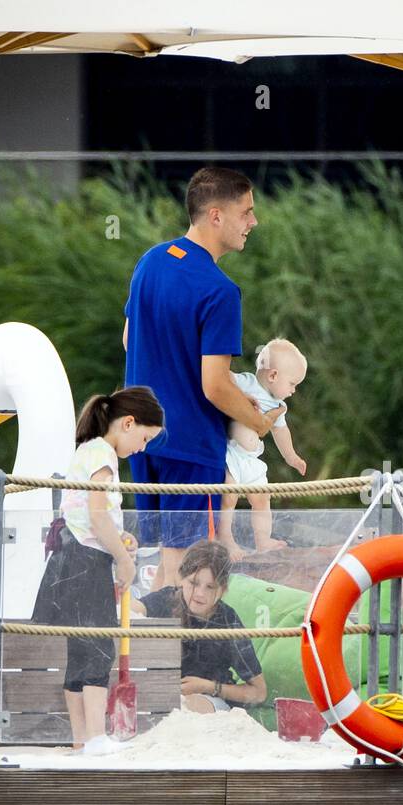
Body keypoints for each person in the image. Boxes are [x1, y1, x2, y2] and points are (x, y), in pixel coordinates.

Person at [122, 166, 283, 590]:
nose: (254, 222)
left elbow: (128, 338)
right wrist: (259, 420)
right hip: (191, 445)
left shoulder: (151, 260)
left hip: (141, 439)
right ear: (216, 215)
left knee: (158, 559)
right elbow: (214, 385)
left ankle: (147, 650)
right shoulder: (221, 290)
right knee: (189, 566)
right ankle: (174, 654)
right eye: (246, 212)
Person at [32, 387, 164, 754]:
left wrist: (121, 538)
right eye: (144, 438)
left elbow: (89, 514)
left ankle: (80, 739)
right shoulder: (104, 456)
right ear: (128, 423)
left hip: (67, 557)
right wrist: (124, 561)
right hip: (86, 561)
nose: (143, 447)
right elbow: (96, 514)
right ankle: (95, 738)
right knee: (98, 648)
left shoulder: (87, 450)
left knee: (80, 649)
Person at [134, 539, 267, 713]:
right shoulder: (167, 599)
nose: (199, 594)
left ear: (223, 589)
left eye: (210, 587)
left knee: (190, 706)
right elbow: (128, 610)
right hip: (163, 697)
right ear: (181, 579)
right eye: (193, 583)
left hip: (210, 701)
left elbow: (259, 692)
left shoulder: (228, 622)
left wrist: (208, 687)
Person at [218, 337, 308, 560]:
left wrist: (291, 457)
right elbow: (222, 377)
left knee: (262, 498)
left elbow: (280, 431)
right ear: (273, 375)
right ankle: (226, 537)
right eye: (292, 384)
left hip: (251, 458)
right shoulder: (246, 383)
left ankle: (263, 540)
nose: (294, 390)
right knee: (228, 495)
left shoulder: (280, 406)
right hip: (232, 453)